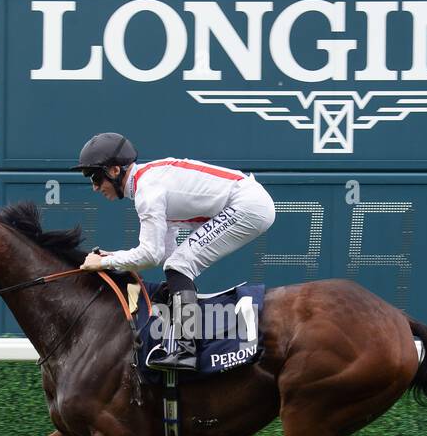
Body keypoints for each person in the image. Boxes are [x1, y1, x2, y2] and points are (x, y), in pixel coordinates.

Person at [72, 132, 276, 372]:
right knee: (177, 264)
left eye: (96, 178)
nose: (95, 187)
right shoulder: (148, 182)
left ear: (115, 171)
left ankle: (185, 350)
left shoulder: (147, 192)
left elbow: (151, 255)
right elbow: (164, 253)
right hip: (249, 202)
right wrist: (111, 258)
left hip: (247, 205)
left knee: (180, 265)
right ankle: (185, 339)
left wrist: (105, 263)